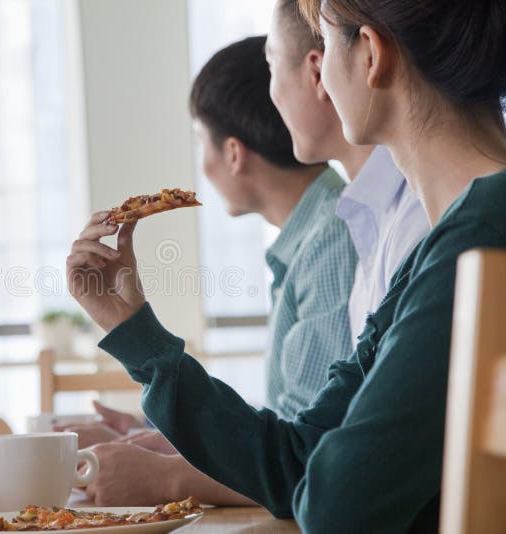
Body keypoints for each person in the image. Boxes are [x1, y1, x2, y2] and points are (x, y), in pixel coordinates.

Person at [67, 0, 506, 529]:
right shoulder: (446, 243)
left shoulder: (478, 240)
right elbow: (297, 458)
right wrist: (135, 331)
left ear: (370, 55)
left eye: (325, 40)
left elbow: (334, 507)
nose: (317, 70)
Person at [67, 35, 359, 505]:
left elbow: (303, 458)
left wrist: (168, 476)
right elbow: (285, 429)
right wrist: (159, 433)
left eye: (200, 140)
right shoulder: (312, 236)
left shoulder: (332, 241)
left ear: (234, 152)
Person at [266, 0, 429, 339]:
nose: (272, 94)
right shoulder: (368, 215)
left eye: (272, 64)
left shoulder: (419, 212)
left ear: (316, 72)